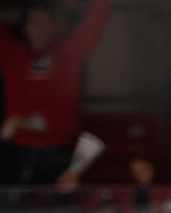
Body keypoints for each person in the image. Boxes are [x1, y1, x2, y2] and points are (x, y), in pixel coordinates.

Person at [0, 0, 111, 186]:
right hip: (18, 154)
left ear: (55, 27)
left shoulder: (69, 52)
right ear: (24, 26)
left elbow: (98, 14)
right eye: (34, 22)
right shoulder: (11, 53)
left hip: (59, 155)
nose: (40, 29)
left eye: (46, 23)